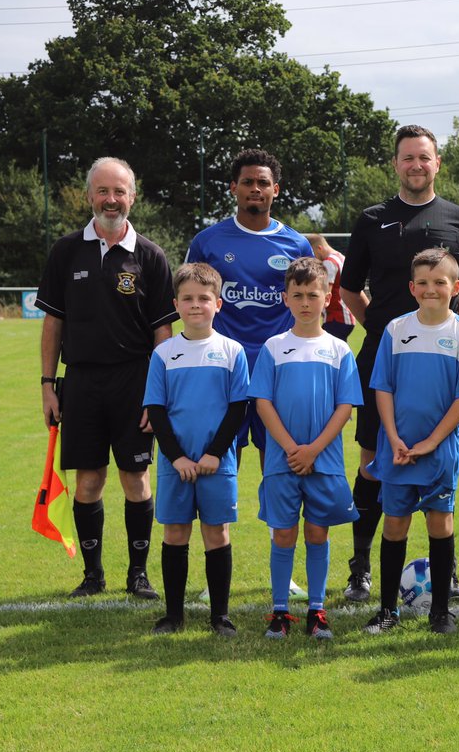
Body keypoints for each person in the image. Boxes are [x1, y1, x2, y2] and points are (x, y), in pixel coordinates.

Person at [339, 124, 459, 603]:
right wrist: (381, 331)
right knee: (373, 464)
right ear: (396, 163)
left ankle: (449, 572)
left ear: (437, 162)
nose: (416, 165)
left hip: (439, 365)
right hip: (384, 362)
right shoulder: (371, 218)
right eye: (407, 158)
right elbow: (348, 288)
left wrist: (442, 330)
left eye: (424, 157)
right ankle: (360, 568)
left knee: (439, 459)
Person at [36, 156, 177, 600]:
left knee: (136, 479)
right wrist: (47, 384)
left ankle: (138, 574)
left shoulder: (150, 255)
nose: (111, 200)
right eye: (103, 191)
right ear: (89, 195)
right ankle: (93, 575)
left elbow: (162, 333)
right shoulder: (65, 251)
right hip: (79, 383)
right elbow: (52, 325)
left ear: (132, 197)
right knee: (88, 481)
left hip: (136, 382)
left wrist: (158, 396)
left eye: (119, 192)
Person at [186, 148, 315, 603]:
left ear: (275, 190)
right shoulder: (207, 241)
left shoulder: (295, 245)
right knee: (220, 465)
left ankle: (285, 573)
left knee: (278, 468)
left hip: (279, 375)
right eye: (248, 182)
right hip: (221, 373)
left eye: (264, 182)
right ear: (234, 188)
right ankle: (215, 576)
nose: (255, 189)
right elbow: (190, 296)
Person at [362, 248, 459, 635]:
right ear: (412, 288)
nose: (432, 289)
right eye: (424, 283)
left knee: (440, 523)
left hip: (439, 450)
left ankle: (440, 612)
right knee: (394, 524)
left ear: (455, 287)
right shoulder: (396, 330)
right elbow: (383, 386)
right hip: (397, 449)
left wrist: (431, 441)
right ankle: (387, 611)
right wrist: (393, 437)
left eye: (440, 282)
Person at [248, 257, 364, 640]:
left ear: (327, 296)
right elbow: (262, 402)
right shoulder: (274, 347)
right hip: (284, 461)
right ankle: (280, 612)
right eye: (297, 295)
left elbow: (345, 407)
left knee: (318, 533)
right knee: (284, 534)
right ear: (285, 298)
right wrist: (291, 448)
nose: (305, 302)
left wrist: (313, 449)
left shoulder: (338, 350)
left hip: (324, 460)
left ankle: (317, 611)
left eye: (312, 294)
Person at [144, 262, 249, 637]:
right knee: (175, 533)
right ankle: (173, 616)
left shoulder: (232, 351)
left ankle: (220, 616)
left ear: (217, 304)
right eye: (187, 299)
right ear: (176, 304)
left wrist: (213, 454)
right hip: (177, 463)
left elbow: (239, 408)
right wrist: (177, 457)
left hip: (216, 463)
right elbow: (156, 410)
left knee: (216, 532)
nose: (195, 305)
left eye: (203, 298)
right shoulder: (164, 353)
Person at [307, 233, 362, 341]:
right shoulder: (341, 257)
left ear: (319, 248)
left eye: (313, 254)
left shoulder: (329, 263)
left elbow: (325, 292)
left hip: (336, 318)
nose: (312, 258)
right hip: (346, 317)